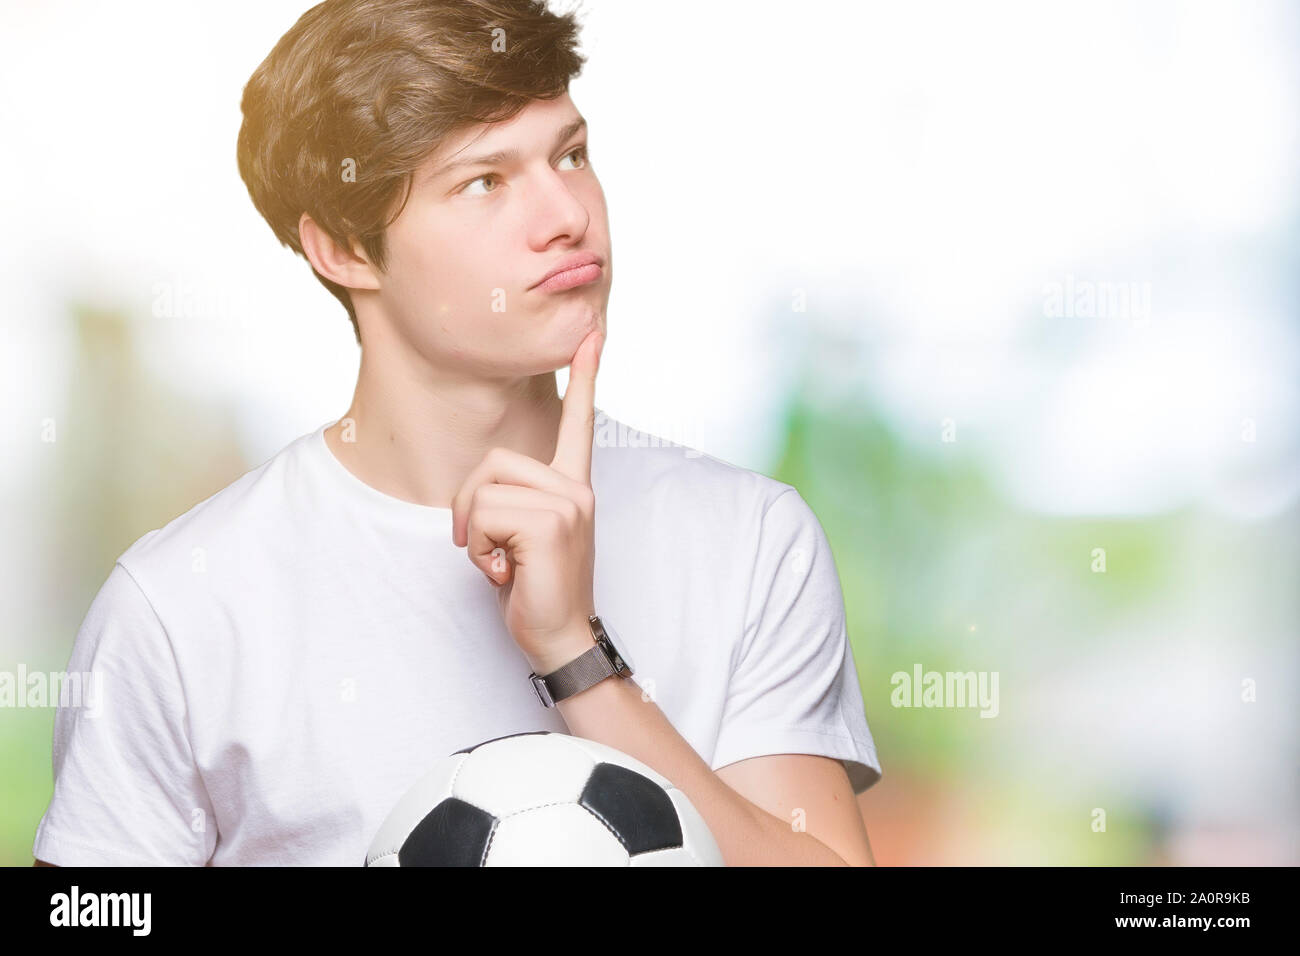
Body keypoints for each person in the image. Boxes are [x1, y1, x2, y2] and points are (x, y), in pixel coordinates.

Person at [33, 0, 882, 867]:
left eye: (571, 154)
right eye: (485, 181)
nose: (567, 214)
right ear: (343, 249)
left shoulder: (751, 539)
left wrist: (576, 655)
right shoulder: (180, 608)